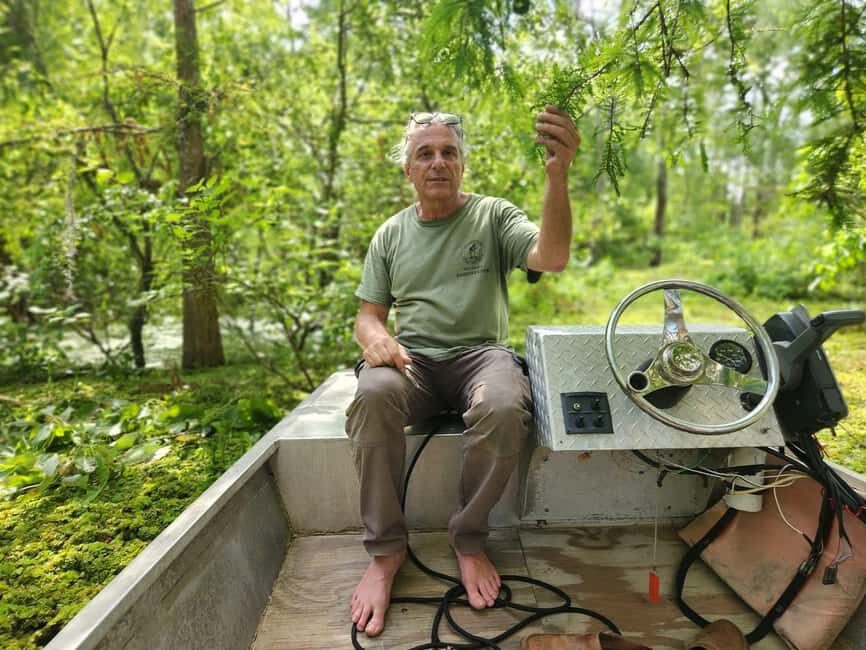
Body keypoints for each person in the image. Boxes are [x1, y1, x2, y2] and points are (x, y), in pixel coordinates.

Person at [346, 105, 580, 637]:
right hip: (416, 362)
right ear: (407, 168)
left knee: (502, 405)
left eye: (448, 152)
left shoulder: (492, 216)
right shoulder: (390, 235)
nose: (437, 162)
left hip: (482, 354)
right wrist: (377, 339)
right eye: (424, 153)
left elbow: (553, 255)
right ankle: (385, 553)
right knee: (373, 392)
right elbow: (367, 316)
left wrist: (558, 175)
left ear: (462, 164)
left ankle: (468, 540)